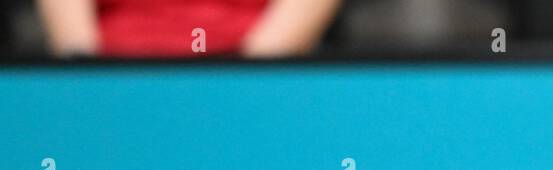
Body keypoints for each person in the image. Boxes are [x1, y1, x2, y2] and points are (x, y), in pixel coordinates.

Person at [36, 0, 341, 58]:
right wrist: (85, 83)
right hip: (114, 82)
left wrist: (246, 87)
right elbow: (74, 46)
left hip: (247, 81)